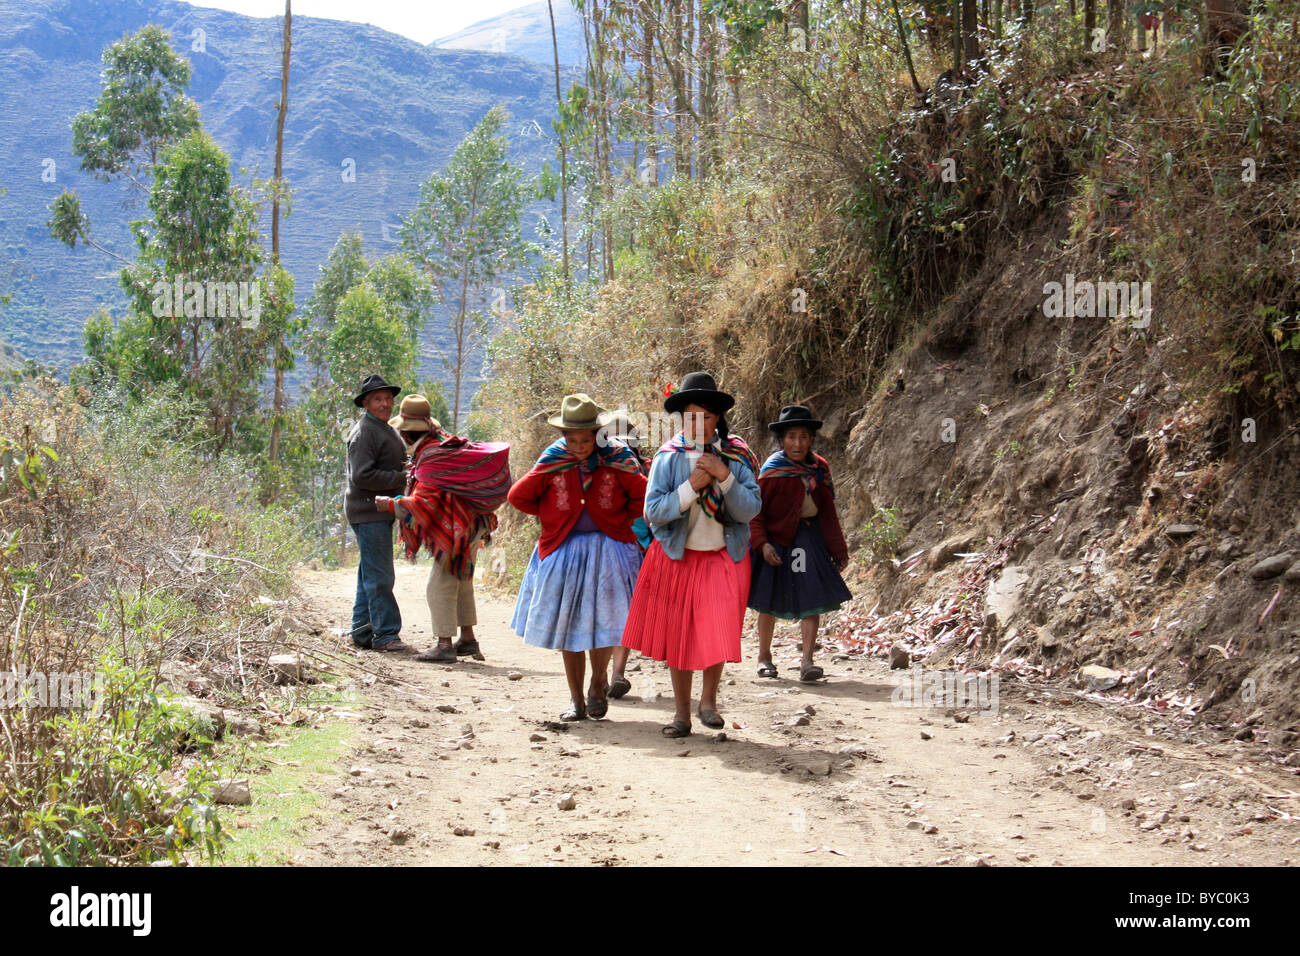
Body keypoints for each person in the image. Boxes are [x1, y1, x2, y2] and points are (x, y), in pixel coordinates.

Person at [620, 372, 761, 738]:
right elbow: (654, 512)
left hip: (722, 556)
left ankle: (708, 703)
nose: (698, 424)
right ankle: (681, 714)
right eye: (691, 417)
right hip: (677, 558)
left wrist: (724, 476)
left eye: (707, 417)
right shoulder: (668, 458)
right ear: (681, 419)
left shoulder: (736, 457)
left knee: (715, 631)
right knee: (680, 638)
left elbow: (749, 510)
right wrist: (691, 486)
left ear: (718, 420)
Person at [508, 394, 647, 721]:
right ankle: (575, 699)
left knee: (603, 624)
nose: (580, 445)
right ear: (563, 437)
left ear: (598, 435)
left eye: (587, 439)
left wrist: (620, 519)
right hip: (565, 550)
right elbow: (519, 497)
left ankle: (598, 683)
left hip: (609, 550)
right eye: (573, 439)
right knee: (570, 627)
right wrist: (552, 515)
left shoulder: (618, 457)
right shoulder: (554, 458)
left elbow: (643, 494)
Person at [374, 395, 511, 664]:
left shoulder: (432, 456)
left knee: (439, 585)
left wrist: (391, 505)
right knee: (461, 582)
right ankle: (468, 639)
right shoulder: (443, 445)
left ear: (407, 432)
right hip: (472, 524)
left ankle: (444, 643)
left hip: (454, 531)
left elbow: (424, 503)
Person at [749, 405, 852, 682]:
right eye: (791, 436)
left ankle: (807, 661)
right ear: (781, 440)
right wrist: (761, 544)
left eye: (804, 437)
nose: (798, 443)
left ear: (811, 440)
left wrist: (838, 549)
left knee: (812, 596)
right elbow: (755, 511)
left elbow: (828, 512)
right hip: (776, 539)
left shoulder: (820, 468)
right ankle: (764, 658)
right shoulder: (773, 470)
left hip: (807, 539)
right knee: (768, 601)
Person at [344, 373, 413, 653]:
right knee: (381, 576)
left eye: (387, 398)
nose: (385, 403)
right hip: (368, 511)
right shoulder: (364, 433)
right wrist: (400, 478)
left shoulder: (383, 428)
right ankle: (386, 635)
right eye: (377, 399)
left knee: (369, 574)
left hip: (377, 512)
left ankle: (362, 632)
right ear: (366, 404)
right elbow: (362, 475)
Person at [597, 411, 652, 701]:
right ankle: (616, 673)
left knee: (603, 611)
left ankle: (603, 676)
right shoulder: (645, 466)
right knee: (625, 612)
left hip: (604, 547)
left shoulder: (595, 464)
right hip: (636, 550)